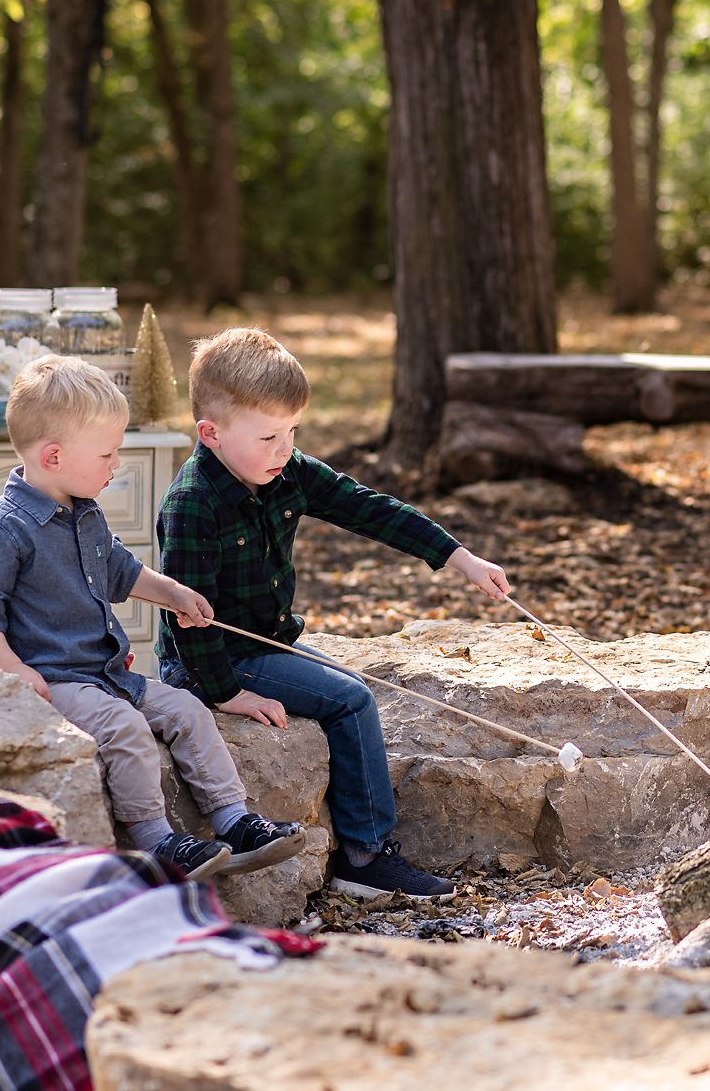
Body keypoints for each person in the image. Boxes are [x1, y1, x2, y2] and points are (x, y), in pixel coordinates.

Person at [157, 328, 511, 902]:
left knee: (346, 684)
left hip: (270, 642)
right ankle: (366, 857)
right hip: (215, 659)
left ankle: (365, 847)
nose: (283, 448)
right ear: (211, 433)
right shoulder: (192, 503)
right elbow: (185, 616)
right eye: (269, 435)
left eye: (292, 431)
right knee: (352, 700)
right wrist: (225, 693)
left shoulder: (286, 471)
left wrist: (457, 557)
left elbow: (366, 507)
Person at [0, 356, 308, 879]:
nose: (116, 464)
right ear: (53, 456)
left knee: (188, 710)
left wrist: (176, 595)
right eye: (107, 453)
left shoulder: (84, 512)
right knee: (125, 731)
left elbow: (123, 571)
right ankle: (155, 839)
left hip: (112, 674)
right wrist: (12, 672)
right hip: (59, 680)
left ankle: (232, 817)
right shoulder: (3, 530)